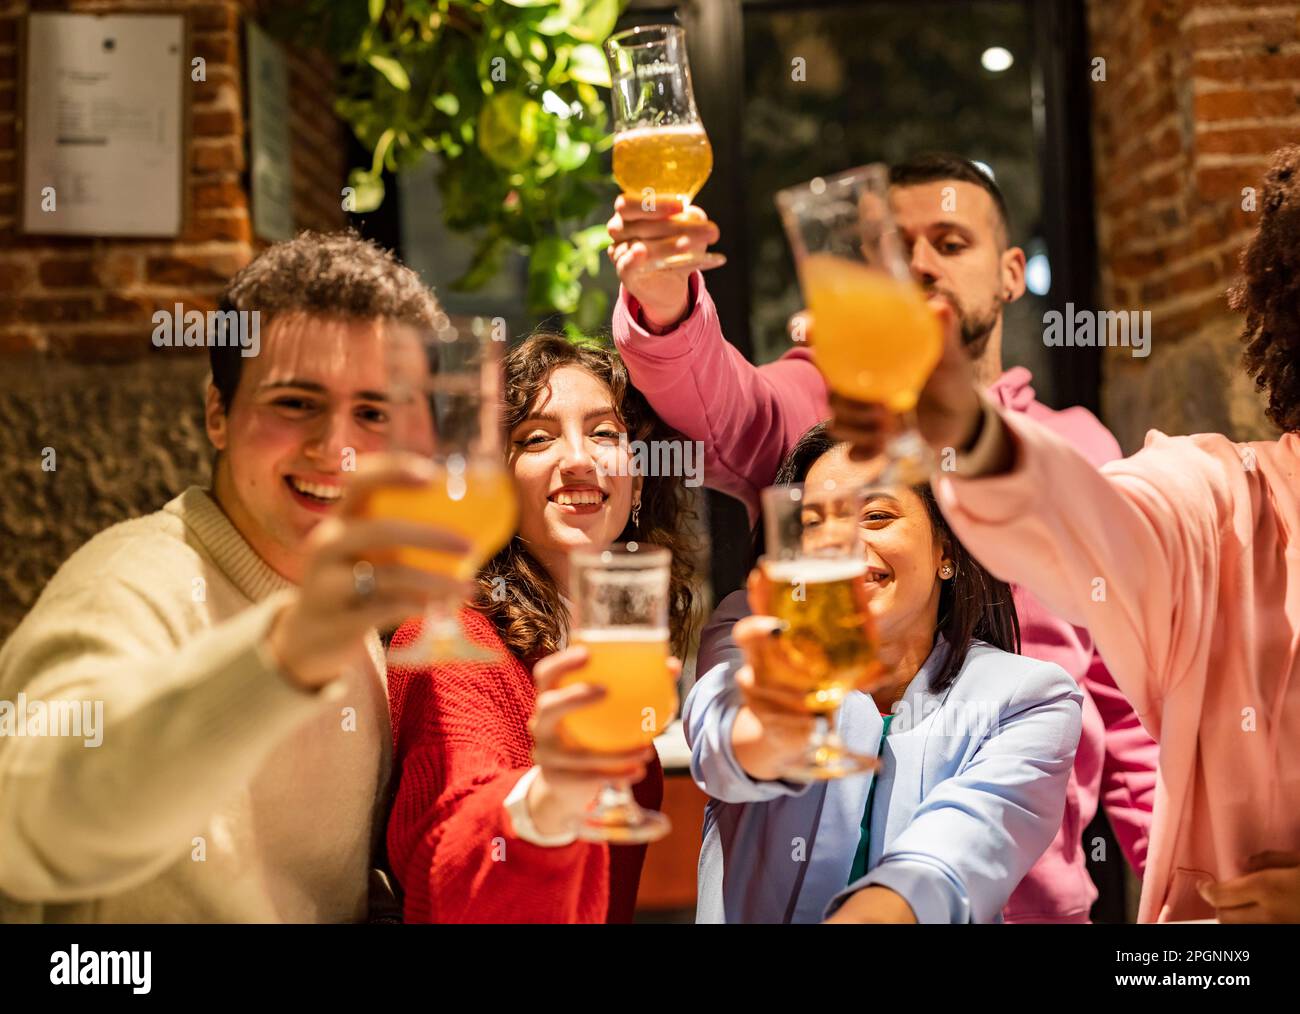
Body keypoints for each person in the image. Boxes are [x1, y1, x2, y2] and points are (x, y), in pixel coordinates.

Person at [606, 152, 1156, 921]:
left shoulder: (1076, 452)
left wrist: (1190, 910)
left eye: (950, 241)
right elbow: (721, 402)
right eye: (898, 247)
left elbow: (1133, 707)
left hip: (1033, 888)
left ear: (1009, 272)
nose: (922, 264)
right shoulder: (828, 412)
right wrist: (663, 299)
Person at [833, 143, 1300, 923]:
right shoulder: (1222, 499)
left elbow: (1122, 724)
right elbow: (1084, 525)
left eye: (950, 242)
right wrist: (966, 428)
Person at [0, 231, 468, 922]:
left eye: (371, 412)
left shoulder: (353, 623)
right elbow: (27, 822)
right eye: (294, 402)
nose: (334, 446)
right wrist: (286, 652)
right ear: (218, 413)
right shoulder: (130, 584)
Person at [684, 423, 1082, 923]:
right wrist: (763, 735)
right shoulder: (752, 630)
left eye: (876, 515)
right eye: (813, 523)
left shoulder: (1029, 698)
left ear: (947, 550)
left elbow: (954, 858)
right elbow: (719, 735)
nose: (842, 544)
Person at [385, 332, 699, 923]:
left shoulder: (604, 641)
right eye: (536, 437)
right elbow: (450, 876)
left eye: (605, 433)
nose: (579, 458)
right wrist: (548, 797)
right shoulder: (457, 642)